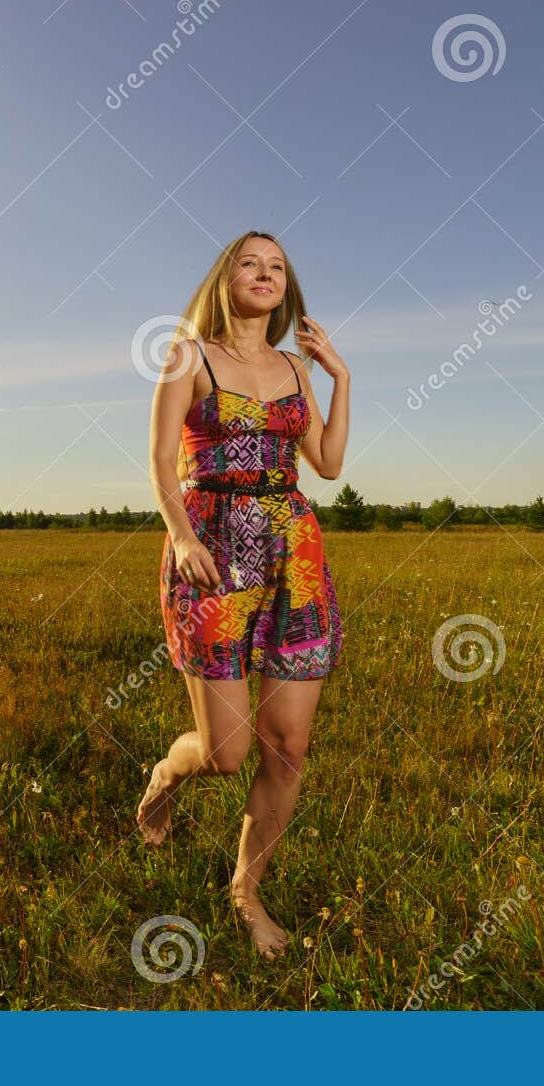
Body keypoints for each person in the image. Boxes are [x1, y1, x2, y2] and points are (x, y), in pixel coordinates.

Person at [138, 230, 350, 957]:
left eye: (277, 267)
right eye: (250, 263)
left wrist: (339, 378)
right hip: (214, 551)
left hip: (295, 552)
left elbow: (324, 461)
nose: (264, 273)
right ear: (224, 278)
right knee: (227, 753)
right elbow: (162, 464)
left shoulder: (296, 366)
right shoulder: (189, 354)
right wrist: (185, 538)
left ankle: (245, 889)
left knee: (287, 746)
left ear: (284, 290)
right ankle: (168, 772)